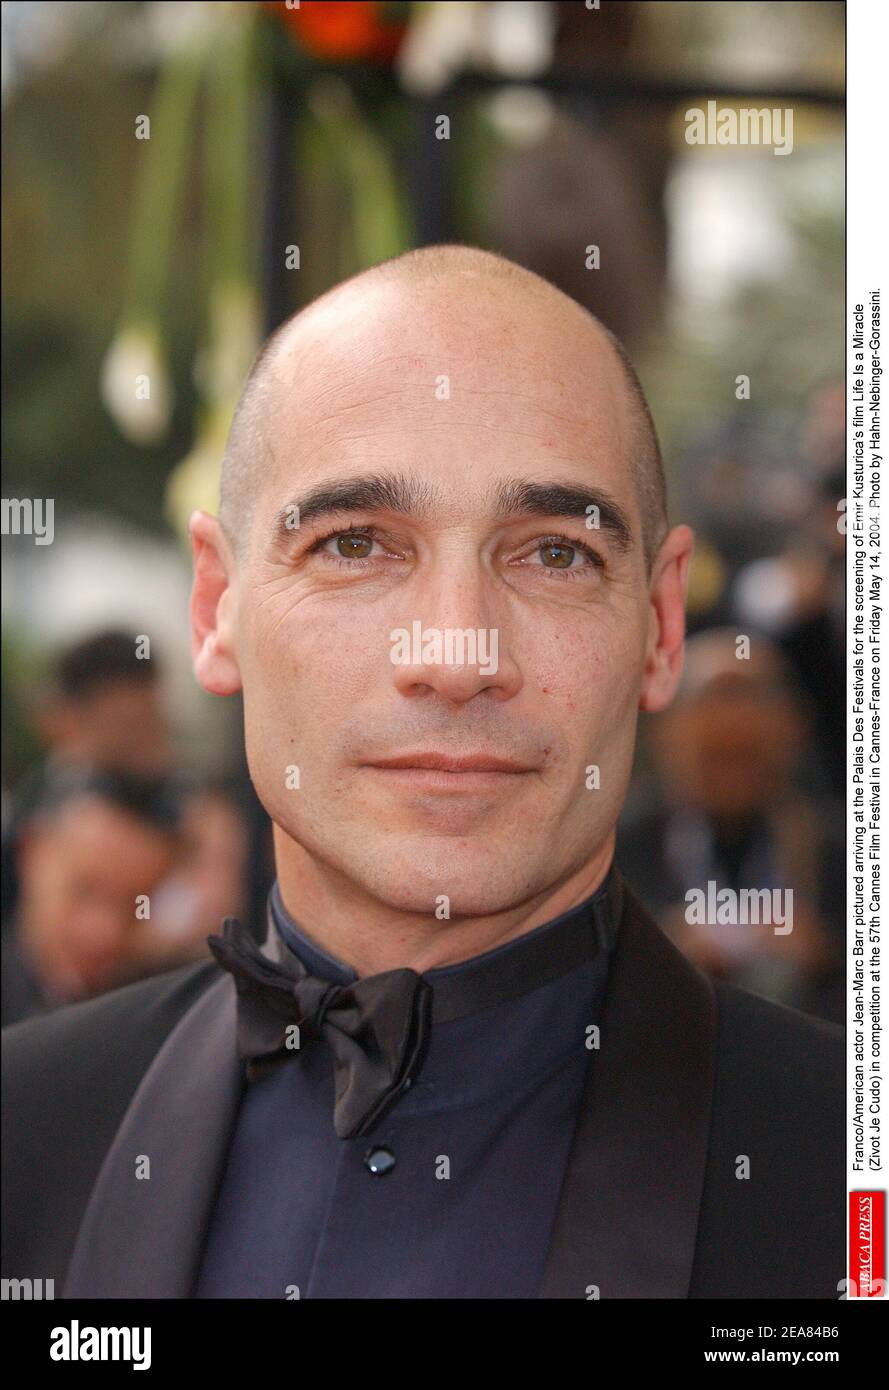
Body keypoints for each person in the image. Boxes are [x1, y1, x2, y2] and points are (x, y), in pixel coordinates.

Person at [2, 245, 842, 1299]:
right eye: (355, 545)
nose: (455, 657)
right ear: (217, 608)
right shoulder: (26, 1137)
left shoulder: (845, 1183)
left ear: (661, 625)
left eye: (554, 554)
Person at [1, 769, 182, 1027]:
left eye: (136, 906)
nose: (104, 932)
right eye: (85, 892)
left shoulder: (159, 1014)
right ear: (31, 854)